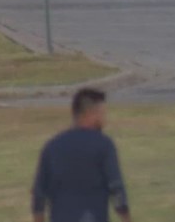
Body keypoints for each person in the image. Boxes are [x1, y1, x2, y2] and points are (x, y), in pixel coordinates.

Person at [31, 88, 131, 222]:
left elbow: (39, 194)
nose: (104, 119)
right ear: (91, 114)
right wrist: (126, 218)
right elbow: (116, 188)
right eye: (102, 114)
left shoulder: (52, 147)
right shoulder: (103, 145)